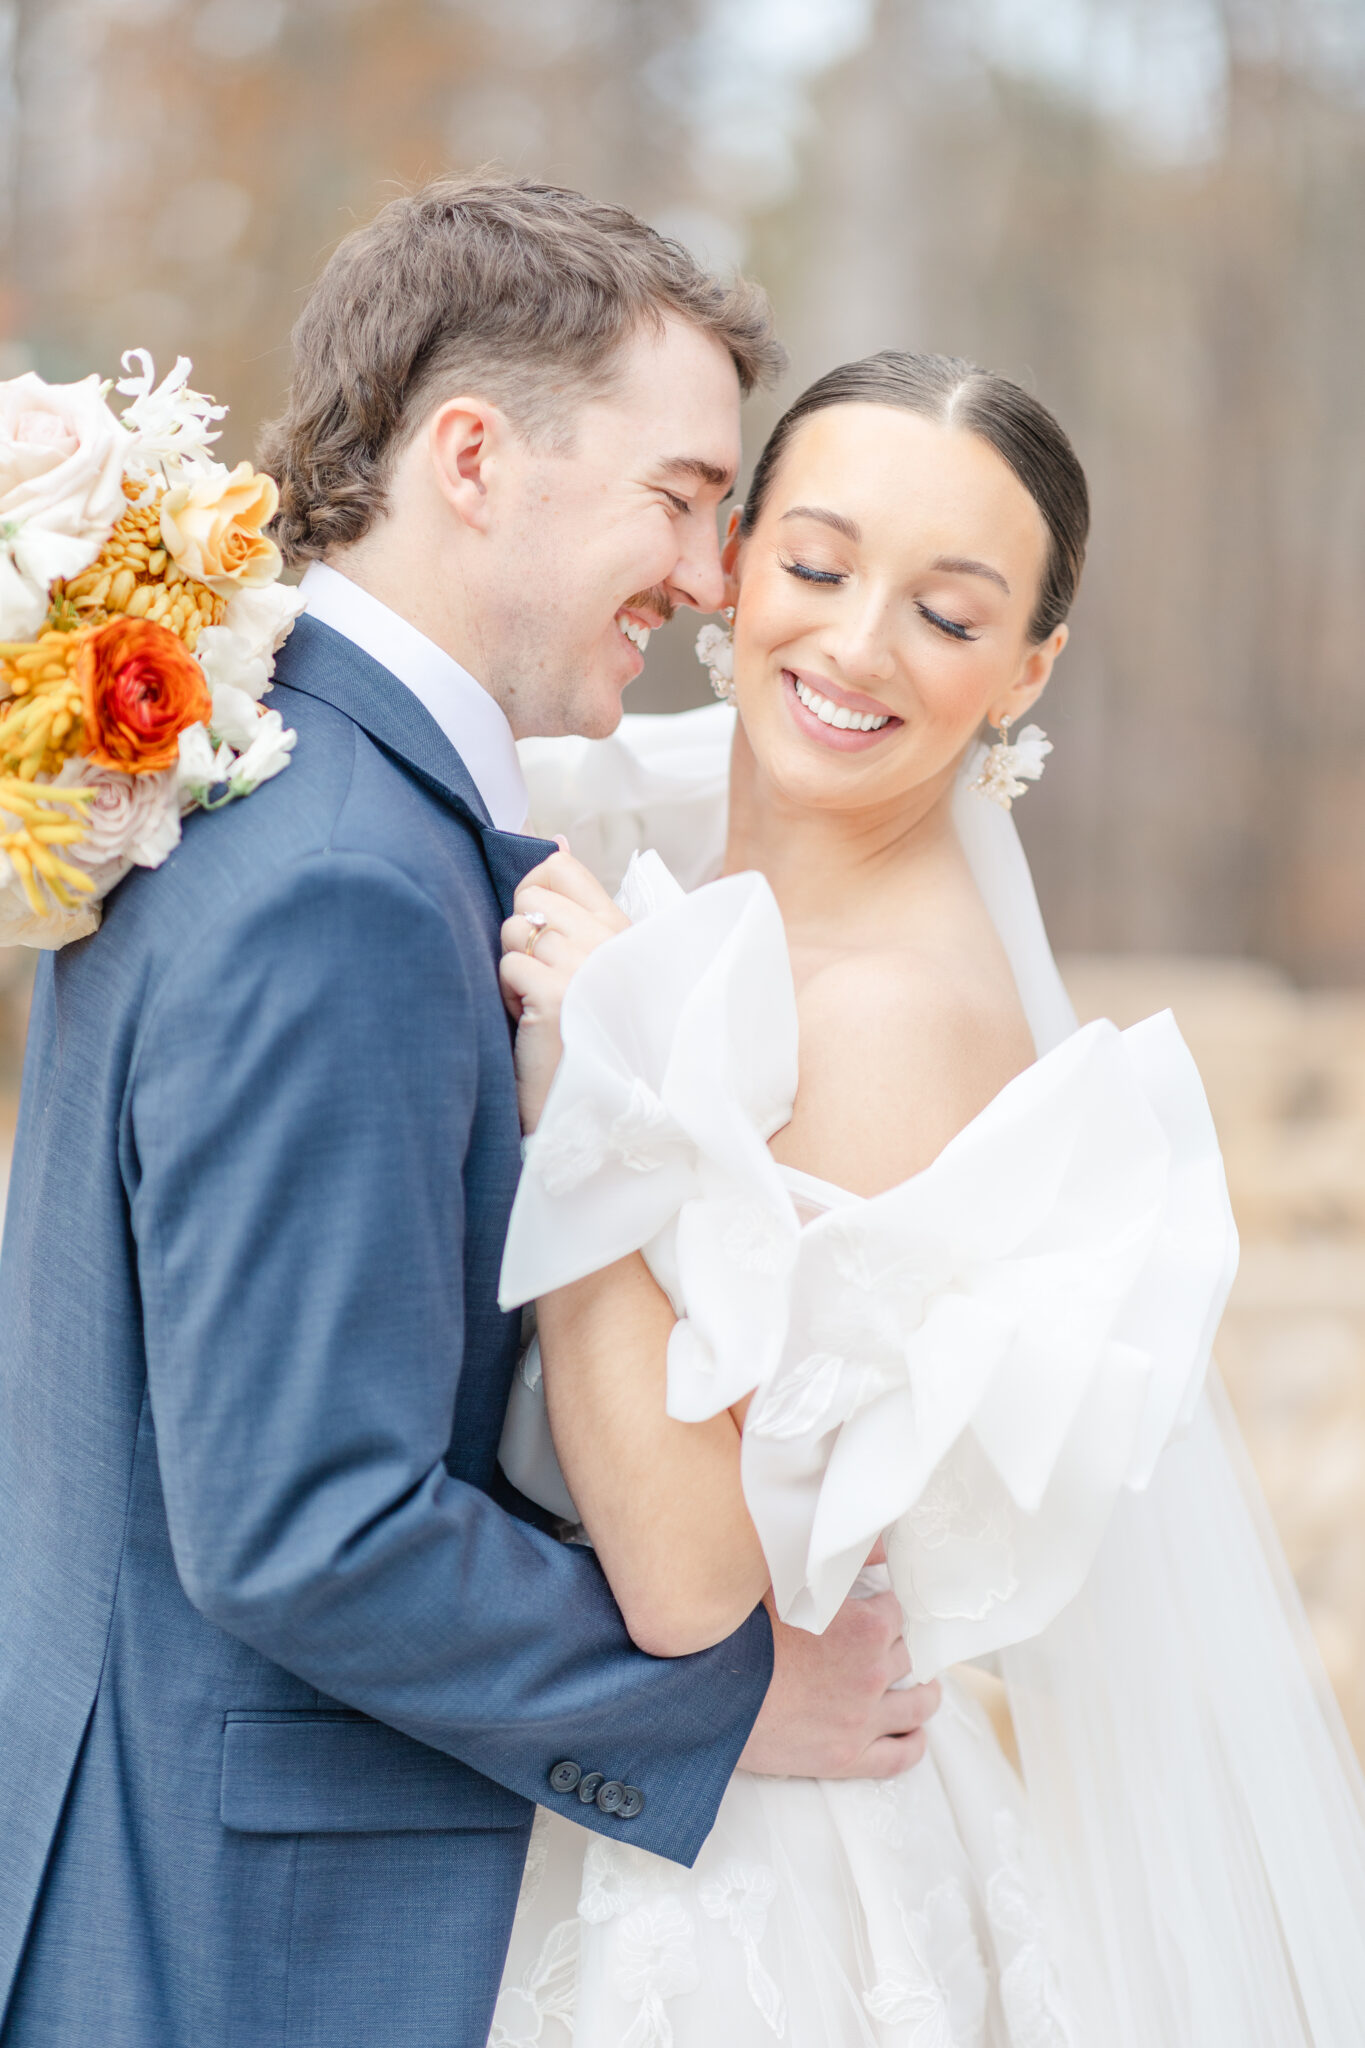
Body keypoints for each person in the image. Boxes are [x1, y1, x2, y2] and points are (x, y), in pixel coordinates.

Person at [0, 182, 940, 2048]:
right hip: (235, 1945)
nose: (706, 576)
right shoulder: (341, 876)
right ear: (474, 457)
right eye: (679, 496)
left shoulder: (278, 774)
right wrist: (721, 1701)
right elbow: (301, 1521)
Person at [491, 351, 1365, 2044]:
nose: (855, 647)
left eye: (949, 619)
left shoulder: (889, 1016)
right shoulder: (644, 811)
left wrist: (607, 1071)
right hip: (587, 1796)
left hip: (745, 1890)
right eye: (817, 568)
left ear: (1027, 670)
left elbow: (692, 1579)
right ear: (730, 559)